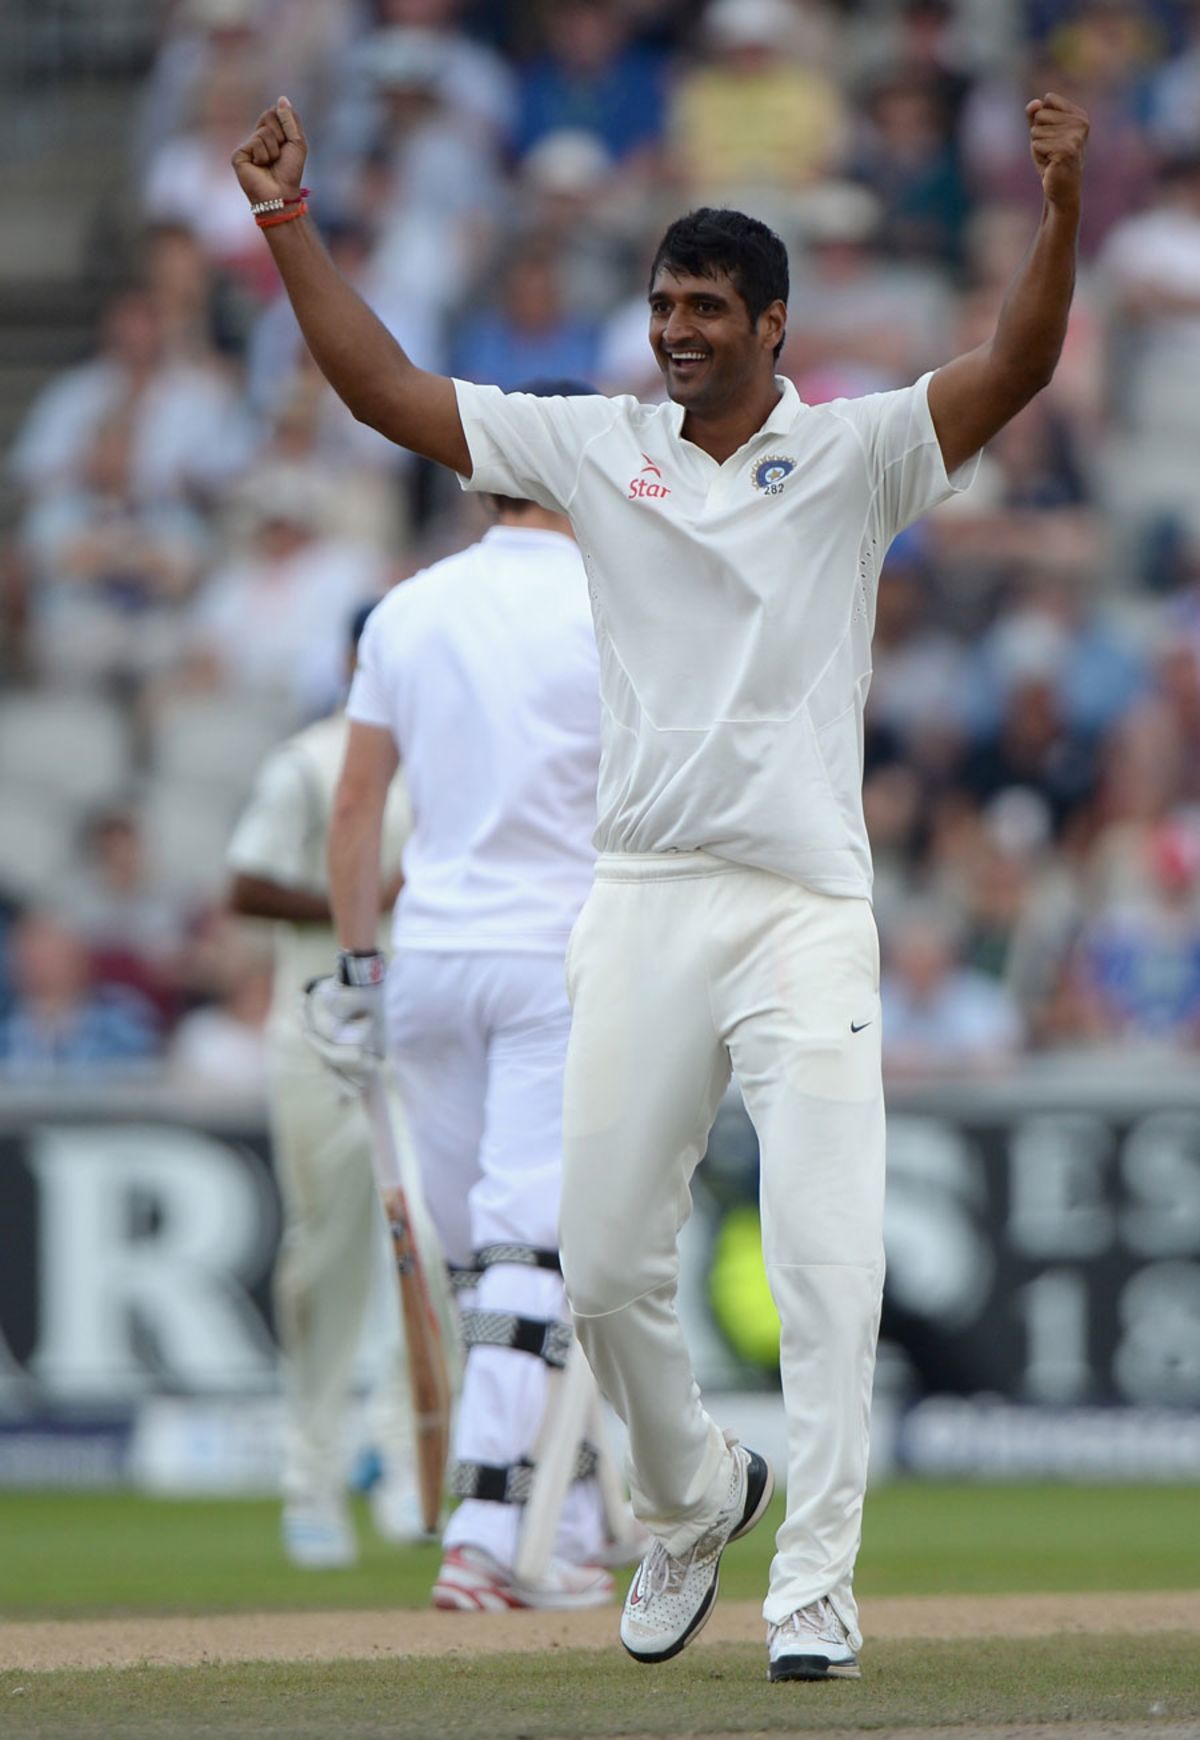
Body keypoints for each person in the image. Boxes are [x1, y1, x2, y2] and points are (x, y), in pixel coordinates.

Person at [232, 86, 1089, 1680]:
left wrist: (1057, 212)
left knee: (826, 1257)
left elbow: (1019, 366)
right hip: (637, 899)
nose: (676, 332)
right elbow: (384, 392)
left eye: (705, 308)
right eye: (662, 306)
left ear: (774, 325)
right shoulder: (596, 446)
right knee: (606, 1263)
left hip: (802, 907)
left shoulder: (855, 455)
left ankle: (818, 1585)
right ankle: (693, 1499)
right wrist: (286, 221)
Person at [304, 418, 620, 1612]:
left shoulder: (407, 608)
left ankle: (567, 1524)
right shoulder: (615, 601)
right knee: (527, 1253)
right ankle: (486, 1537)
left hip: (430, 961)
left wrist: (357, 971)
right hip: (560, 955)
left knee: (492, 1268)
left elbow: (354, 811)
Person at [226, 608, 431, 1567]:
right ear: (357, 658)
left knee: (436, 1243)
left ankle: (406, 1458)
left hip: (421, 1032)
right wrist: (359, 903)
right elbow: (245, 886)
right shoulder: (307, 763)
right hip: (318, 1030)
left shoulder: (441, 756)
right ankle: (310, 1476)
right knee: (330, 1255)